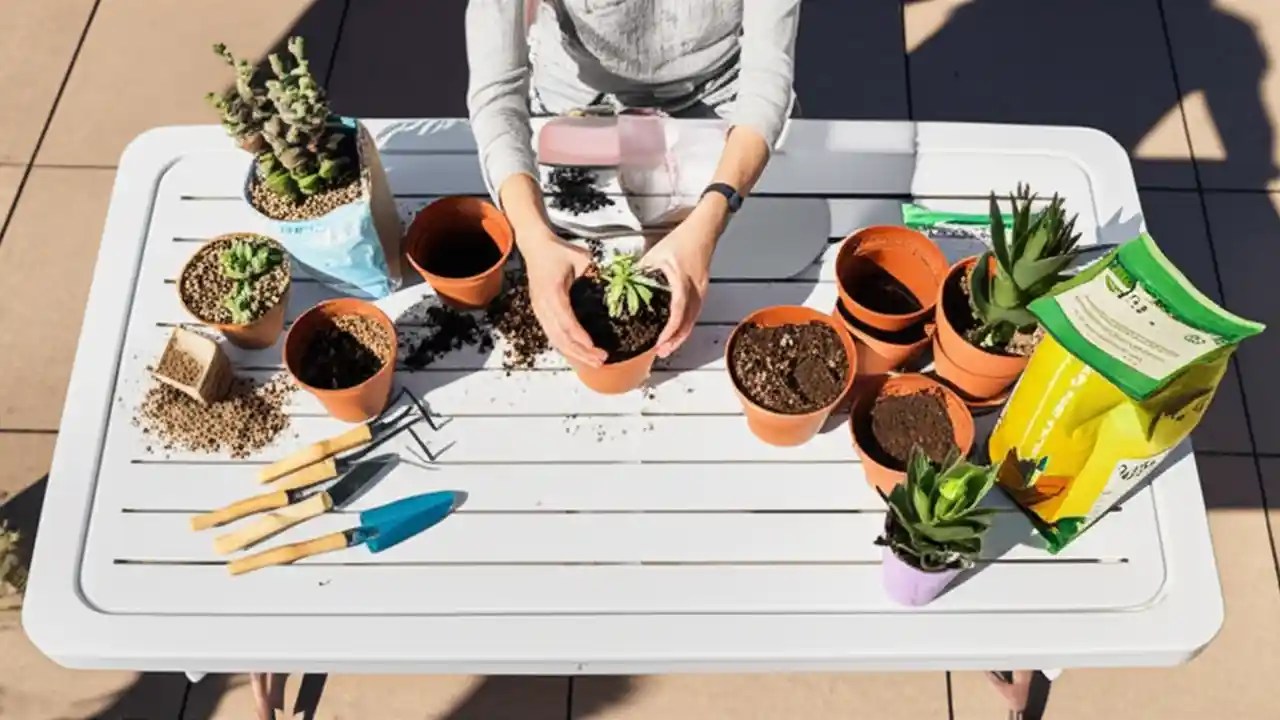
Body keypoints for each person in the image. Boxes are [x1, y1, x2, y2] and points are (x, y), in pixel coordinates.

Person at [466, 0, 801, 364]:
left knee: (759, 265)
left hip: (718, 101)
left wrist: (714, 214)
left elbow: (766, 77)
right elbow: (497, 93)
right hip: (573, 106)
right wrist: (533, 238)